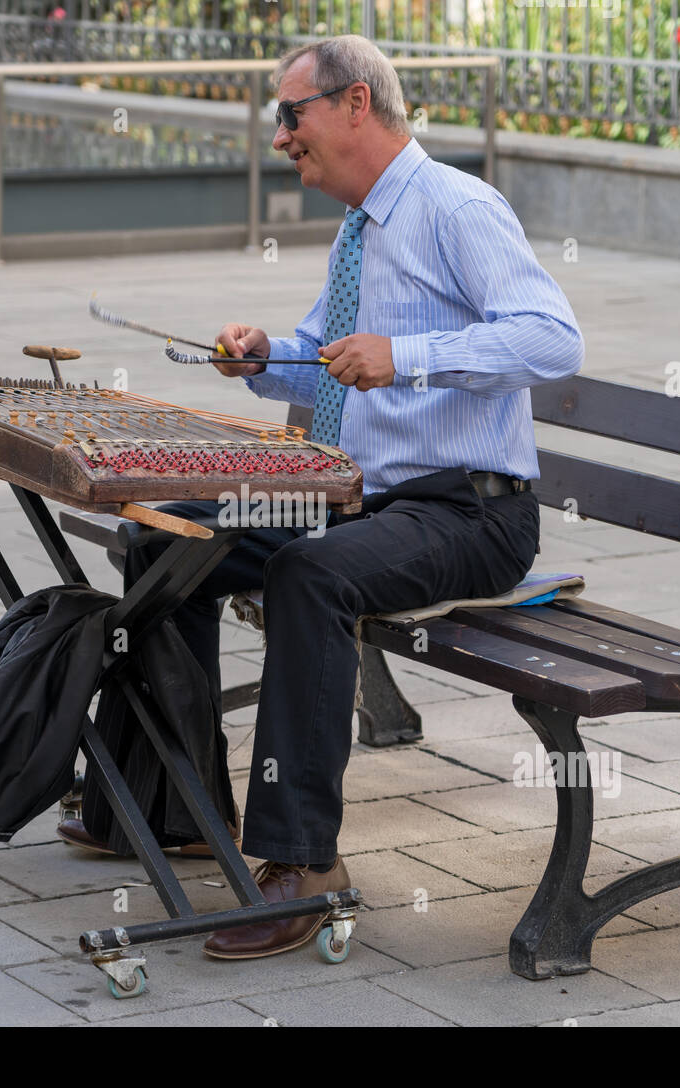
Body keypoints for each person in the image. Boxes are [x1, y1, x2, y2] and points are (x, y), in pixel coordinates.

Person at [61, 34, 584, 961]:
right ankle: (176, 806)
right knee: (171, 535)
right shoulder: (359, 228)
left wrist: (408, 355)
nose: (278, 138)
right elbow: (320, 365)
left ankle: (305, 866)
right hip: (362, 500)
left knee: (308, 573)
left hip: (471, 511)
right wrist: (261, 359)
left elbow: (553, 340)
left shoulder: (457, 206)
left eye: (289, 115)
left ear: (355, 104)